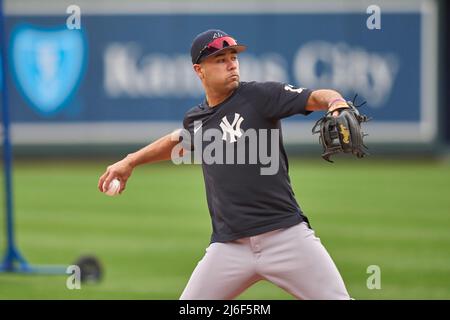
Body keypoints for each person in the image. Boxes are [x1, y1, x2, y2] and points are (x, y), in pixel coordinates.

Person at [98, 29, 351, 300]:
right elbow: (177, 141)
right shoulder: (197, 118)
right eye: (220, 59)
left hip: (286, 236)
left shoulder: (261, 96)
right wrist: (130, 161)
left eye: (233, 56)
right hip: (229, 247)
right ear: (199, 70)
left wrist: (336, 103)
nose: (231, 63)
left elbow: (316, 97)